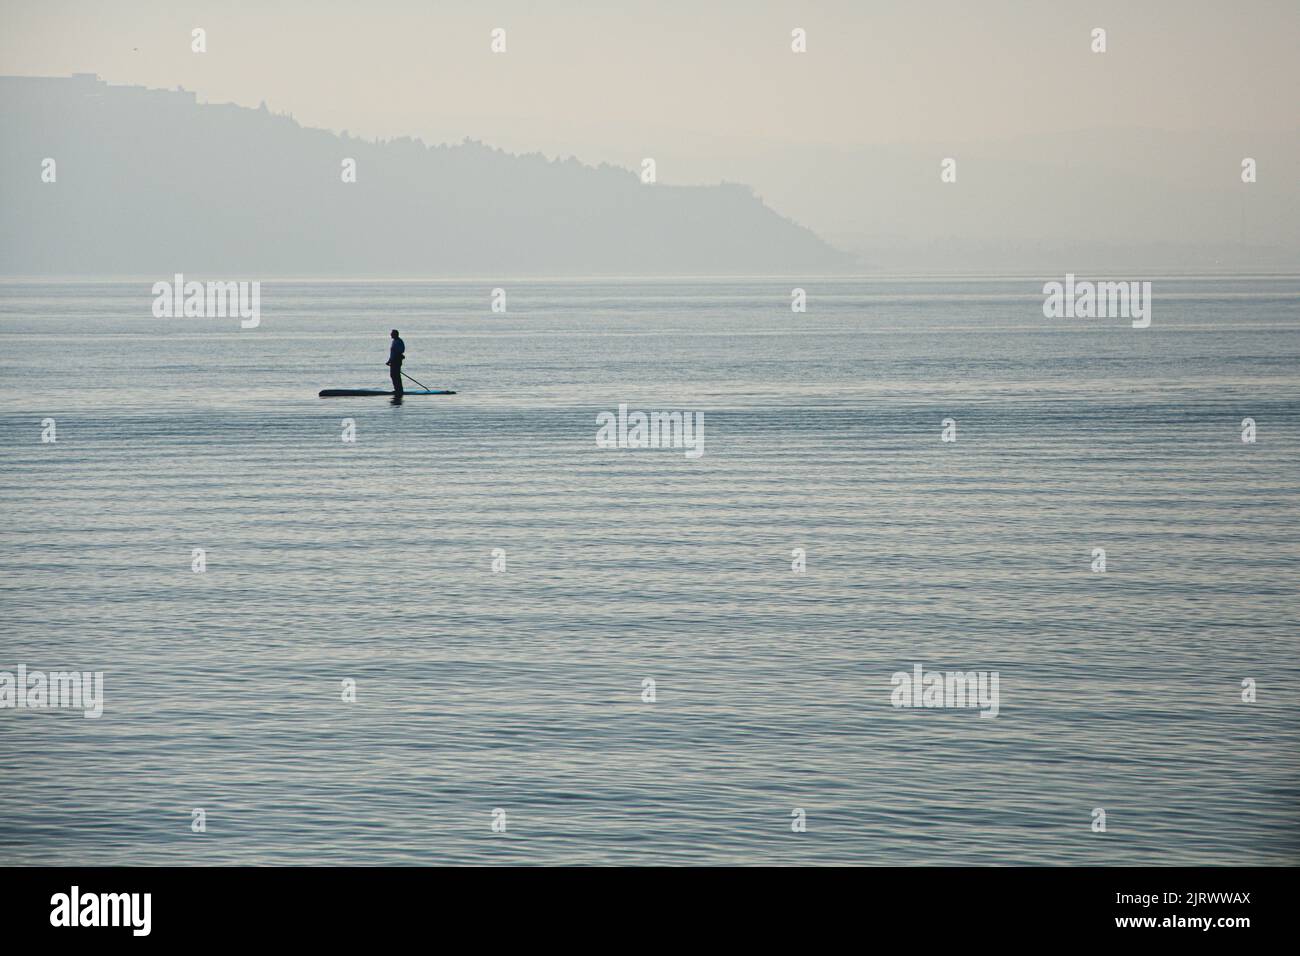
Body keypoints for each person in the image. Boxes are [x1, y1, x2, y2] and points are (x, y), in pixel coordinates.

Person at [386, 329, 405, 395]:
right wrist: (389, 361)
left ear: (395, 334)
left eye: (392, 333)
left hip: (396, 361)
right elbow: (392, 353)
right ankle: (397, 389)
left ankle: (399, 390)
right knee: (393, 375)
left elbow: (399, 351)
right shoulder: (394, 341)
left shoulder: (399, 341)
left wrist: (392, 360)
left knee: (395, 375)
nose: (390, 335)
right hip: (393, 361)